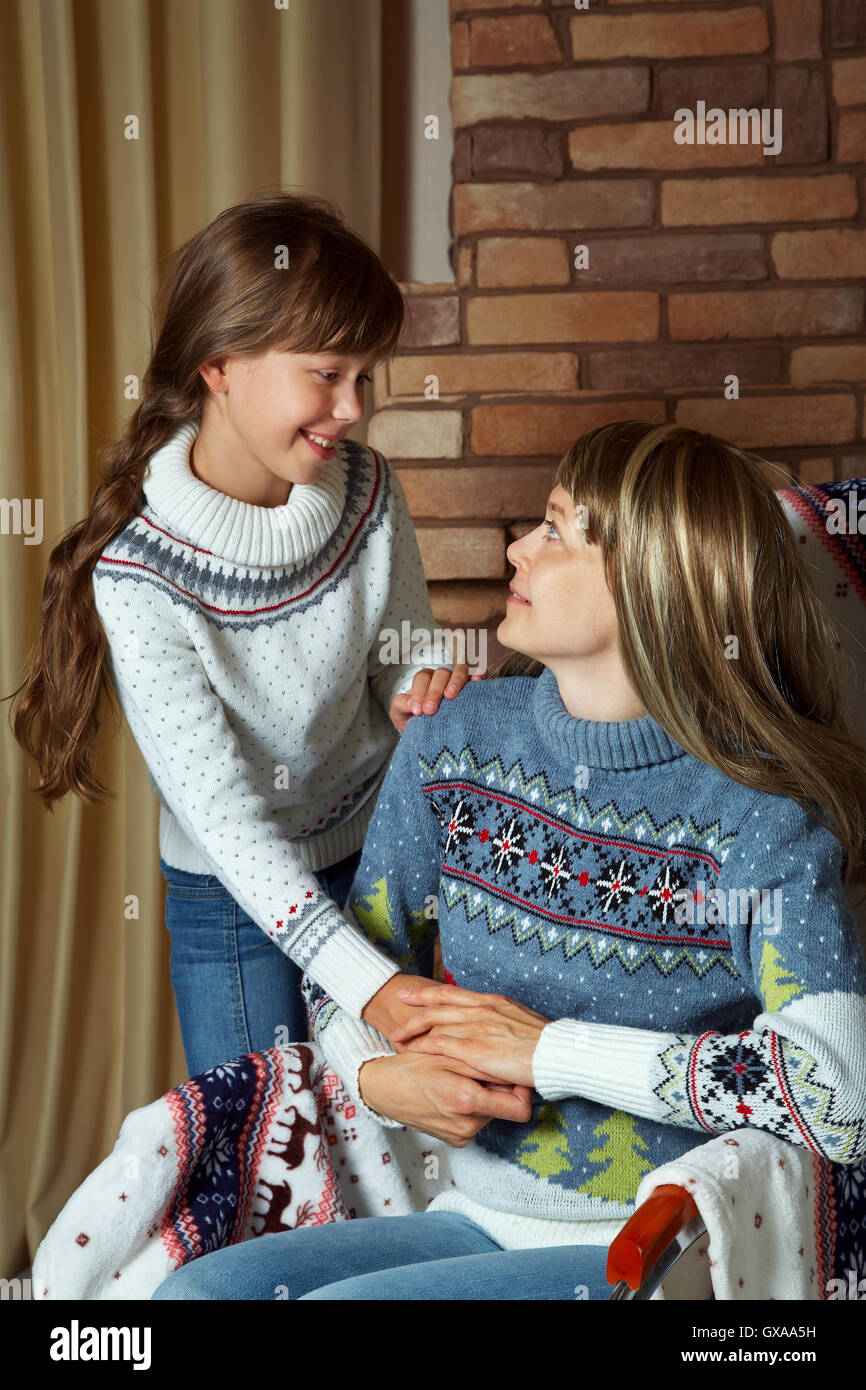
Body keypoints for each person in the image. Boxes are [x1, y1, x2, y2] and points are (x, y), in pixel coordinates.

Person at [150, 419, 866, 1300]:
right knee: (192, 1297)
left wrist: (552, 1054)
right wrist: (378, 1077)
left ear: (654, 584)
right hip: (474, 1218)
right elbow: (354, 972)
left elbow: (840, 1094)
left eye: (558, 531)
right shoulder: (452, 743)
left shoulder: (761, 817)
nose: (519, 549)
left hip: (649, 1254)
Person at [6, 190, 483, 1078]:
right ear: (220, 367)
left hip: (379, 860)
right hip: (232, 899)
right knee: (265, 1148)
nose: (351, 409)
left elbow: (398, 655)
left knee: (394, 1151)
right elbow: (225, 821)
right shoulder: (139, 574)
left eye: (363, 379)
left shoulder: (371, 491)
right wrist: (361, 979)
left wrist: (425, 690)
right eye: (326, 374)